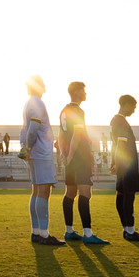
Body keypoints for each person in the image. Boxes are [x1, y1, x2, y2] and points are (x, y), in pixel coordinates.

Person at [59, 82, 107, 244]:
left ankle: (69, 230)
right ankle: (87, 233)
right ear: (77, 92)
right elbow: (77, 135)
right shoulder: (78, 110)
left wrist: (62, 154)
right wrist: (71, 156)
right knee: (85, 193)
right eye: (84, 90)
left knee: (70, 193)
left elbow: (61, 134)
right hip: (78, 158)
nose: (85, 93)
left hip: (70, 158)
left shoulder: (64, 110)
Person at [23, 76, 65, 245]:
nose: (45, 85)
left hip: (35, 152)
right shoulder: (38, 103)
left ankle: (36, 231)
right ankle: (44, 234)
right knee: (44, 191)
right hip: (41, 152)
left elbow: (24, 129)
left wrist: (25, 147)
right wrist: (27, 147)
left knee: (35, 190)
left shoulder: (28, 103)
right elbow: (32, 130)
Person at [110, 94, 139, 242]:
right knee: (128, 195)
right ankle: (130, 230)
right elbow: (120, 144)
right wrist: (117, 162)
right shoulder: (120, 121)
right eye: (133, 107)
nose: (134, 110)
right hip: (127, 164)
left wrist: (114, 162)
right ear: (126, 104)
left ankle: (126, 229)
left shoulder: (115, 120)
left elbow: (115, 145)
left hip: (122, 163)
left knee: (121, 194)